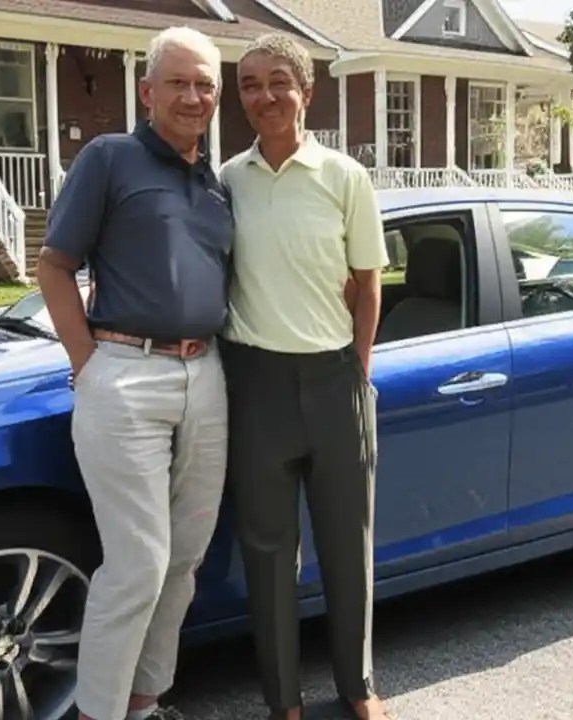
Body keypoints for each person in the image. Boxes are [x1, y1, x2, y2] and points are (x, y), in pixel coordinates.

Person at [35, 26, 233, 720]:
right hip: (124, 372)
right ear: (147, 91)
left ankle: (145, 702)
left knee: (183, 559)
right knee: (138, 564)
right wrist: (87, 364)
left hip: (205, 375)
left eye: (204, 83)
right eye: (177, 82)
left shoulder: (216, 181)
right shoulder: (111, 158)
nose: (192, 95)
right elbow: (55, 267)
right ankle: (98, 713)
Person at [217, 32, 393, 720]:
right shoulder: (227, 180)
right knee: (268, 556)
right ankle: (282, 701)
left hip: (334, 381)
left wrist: (358, 371)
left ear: (306, 91)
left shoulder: (345, 177)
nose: (265, 96)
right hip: (256, 385)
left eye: (278, 82)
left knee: (349, 548)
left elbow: (370, 286)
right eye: (250, 85)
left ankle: (359, 687)